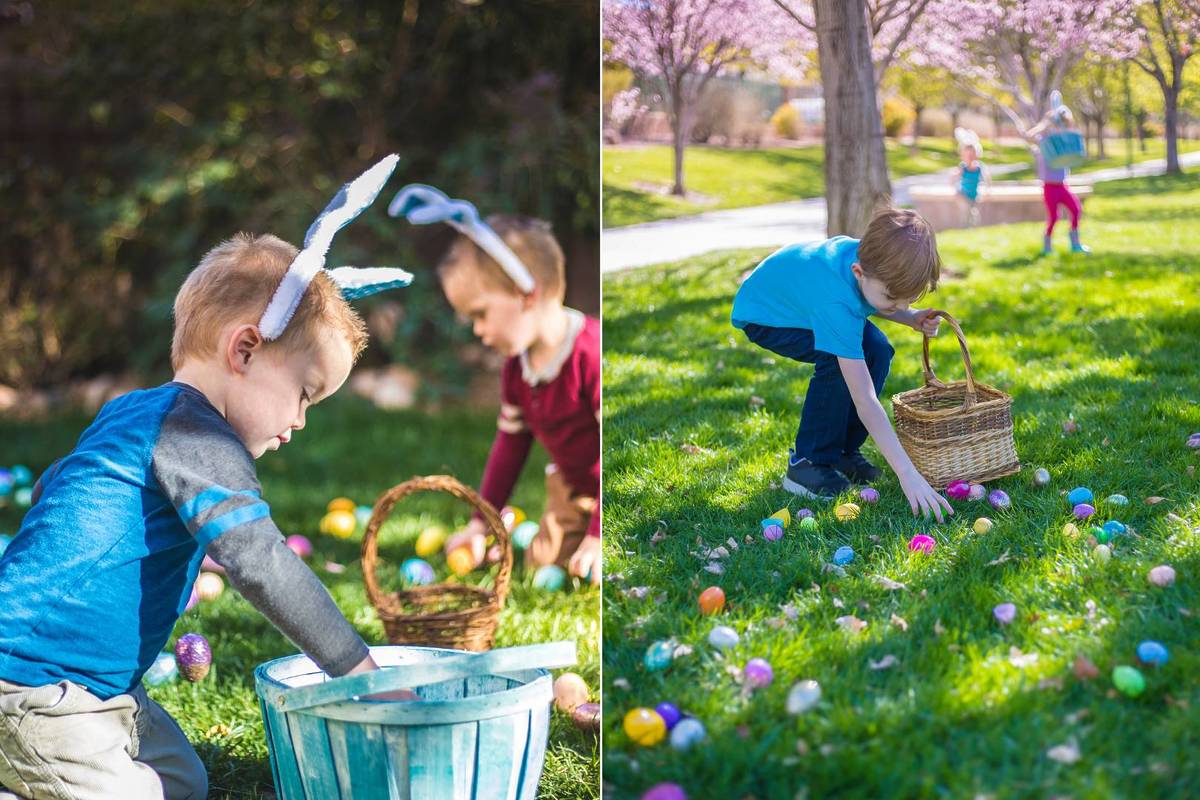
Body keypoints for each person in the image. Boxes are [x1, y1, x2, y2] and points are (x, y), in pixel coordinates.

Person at [0, 157, 416, 800]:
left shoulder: (137, 412)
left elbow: (61, 490)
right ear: (244, 349)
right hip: (35, 686)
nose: (300, 421)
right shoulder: (198, 436)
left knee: (184, 782)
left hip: (103, 691)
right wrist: (362, 673)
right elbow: (263, 562)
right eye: (303, 394)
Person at [390, 186, 601, 585]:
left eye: (480, 314)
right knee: (543, 565)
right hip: (571, 487)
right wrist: (480, 522)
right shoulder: (517, 369)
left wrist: (598, 537)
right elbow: (510, 447)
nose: (477, 330)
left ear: (527, 293)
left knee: (599, 563)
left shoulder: (590, 356)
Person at [730, 207, 954, 522]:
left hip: (806, 298)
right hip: (766, 314)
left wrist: (910, 318)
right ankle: (807, 463)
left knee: (877, 350)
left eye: (908, 300)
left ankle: (843, 454)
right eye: (893, 299)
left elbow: (870, 296)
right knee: (837, 360)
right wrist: (907, 474)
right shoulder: (835, 301)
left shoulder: (872, 263)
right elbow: (865, 400)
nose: (900, 306)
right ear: (858, 272)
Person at [1023, 92, 1090, 255]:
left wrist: (1063, 118)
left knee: (1076, 209)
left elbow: (1073, 133)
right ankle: (1047, 246)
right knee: (1054, 217)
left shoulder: (1063, 142)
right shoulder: (1044, 142)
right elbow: (1028, 136)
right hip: (1049, 187)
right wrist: (1045, 123)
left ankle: (1075, 244)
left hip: (1063, 185)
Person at [950, 127, 991, 228]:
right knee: (966, 212)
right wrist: (954, 182)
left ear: (976, 155)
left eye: (972, 155)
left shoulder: (979, 167)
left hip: (974, 195)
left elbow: (987, 178)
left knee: (974, 214)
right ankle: (965, 227)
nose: (969, 158)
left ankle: (973, 228)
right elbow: (953, 179)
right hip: (964, 195)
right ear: (963, 156)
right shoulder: (963, 167)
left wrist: (987, 190)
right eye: (967, 156)